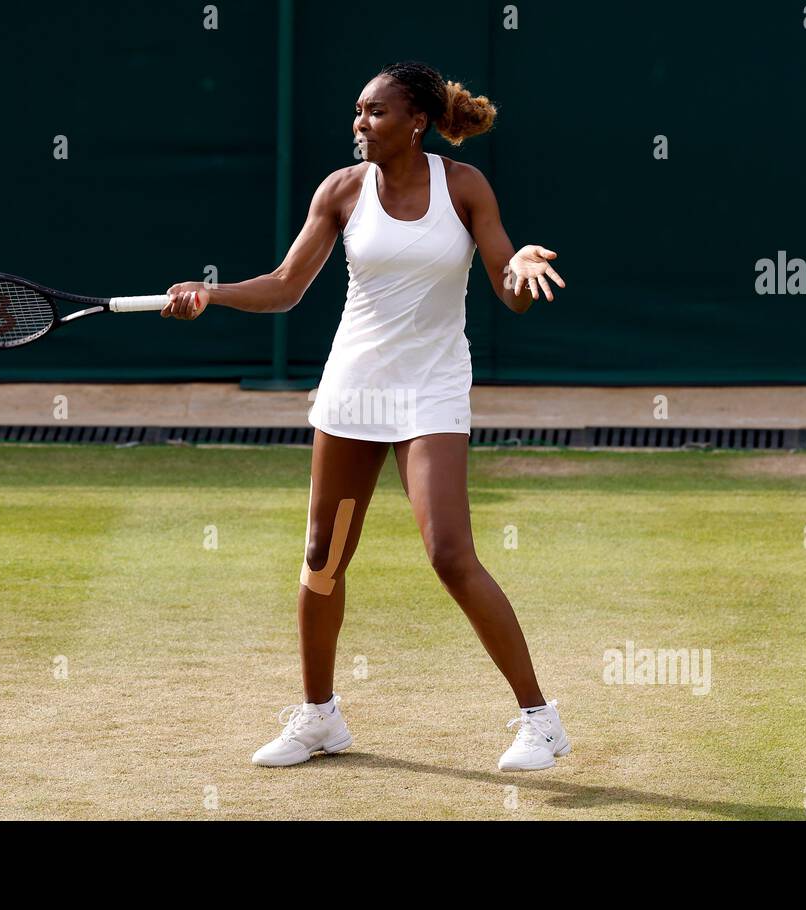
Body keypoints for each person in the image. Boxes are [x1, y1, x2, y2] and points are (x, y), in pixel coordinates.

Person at [162, 61, 568, 771]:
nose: (360, 124)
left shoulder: (464, 187)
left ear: (416, 121)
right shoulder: (341, 191)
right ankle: (320, 718)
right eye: (357, 112)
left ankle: (541, 720)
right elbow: (286, 288)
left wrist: (522, 267)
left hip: (431, 392)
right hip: (354, 391)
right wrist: (212, 293)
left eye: (375, 113)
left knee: (448, 552)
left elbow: (510, 290)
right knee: (323, 558)